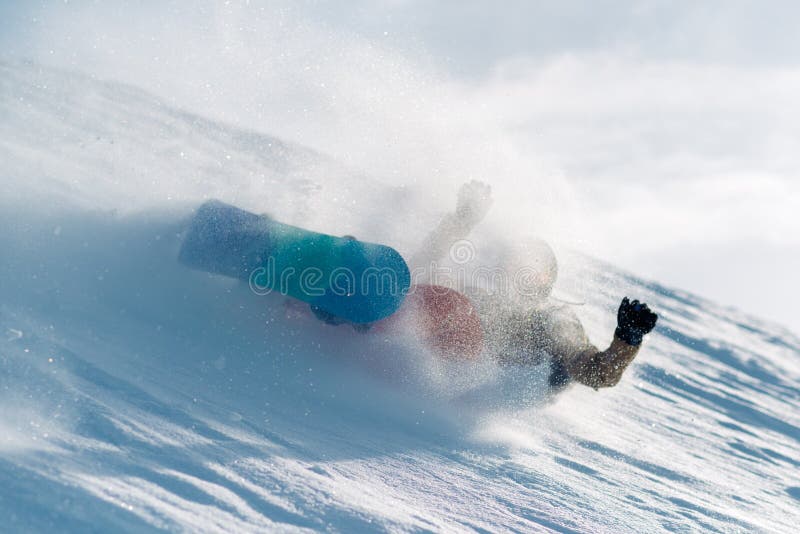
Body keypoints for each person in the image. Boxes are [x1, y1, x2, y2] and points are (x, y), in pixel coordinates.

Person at [409, 181, 658, 393]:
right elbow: (416, 277)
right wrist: (460, 221)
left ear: (546, 280)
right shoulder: (477, 301)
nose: (520, 277)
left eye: (533, 273)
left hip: (505, 389)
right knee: (437, 288)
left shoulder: (553, 322)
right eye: (513, 266)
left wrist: (627, 339)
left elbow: (595, 373)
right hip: (444, 370)